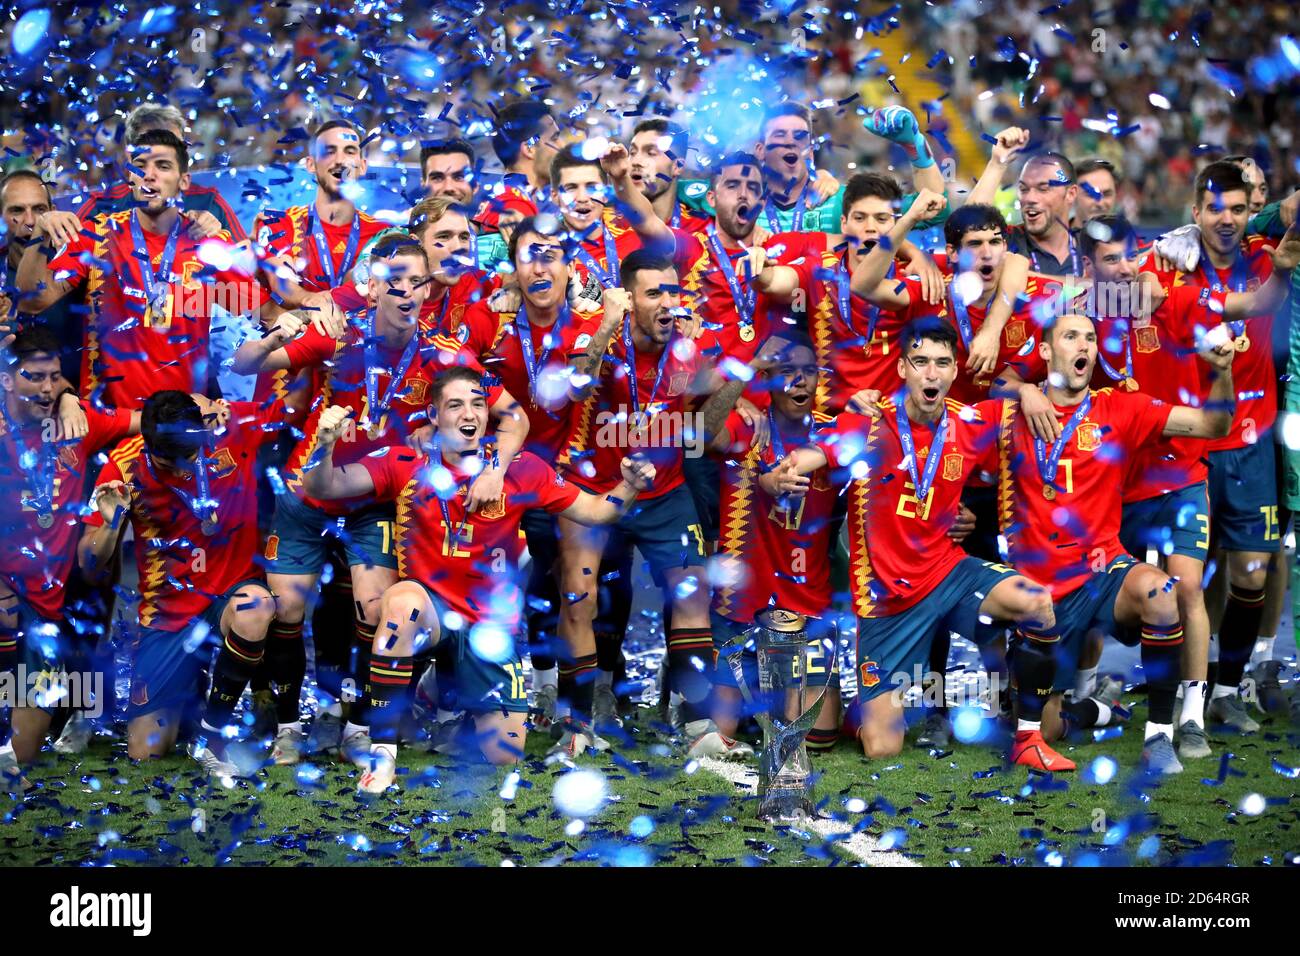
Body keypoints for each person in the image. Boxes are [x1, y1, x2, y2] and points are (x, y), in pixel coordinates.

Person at [232, 234, 529, 766]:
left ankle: (362, 724)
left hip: (373, 498)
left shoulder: (443, 354)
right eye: (395, 281)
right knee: (288, 610)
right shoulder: (336, 338)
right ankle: (286, 726)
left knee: (377, 607)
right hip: (311, 490)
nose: (408, 292)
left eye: (418, 280)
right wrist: (281, 328)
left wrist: (494, 467)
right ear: (371, 287)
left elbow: (515, 418)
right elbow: (243, 364)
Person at [299, 367, 657, 792]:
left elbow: (598, 511)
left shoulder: (521, 469)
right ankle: (383, 757)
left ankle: (441, 688)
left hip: (487, 625)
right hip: (428, 609)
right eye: (455, 405)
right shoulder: (405, 461)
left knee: (505, 752)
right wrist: (323, 447)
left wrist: (630, 487)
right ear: (433, 414)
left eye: (477, 403)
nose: (468, 413)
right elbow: (326, 485)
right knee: (399, 605)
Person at [761, 321, 1053, 758]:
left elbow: (1018, 445)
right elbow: (817, 453)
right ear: (902, 368)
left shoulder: (972, 422)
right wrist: (787, 470)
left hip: (946, 574)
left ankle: (1027, 733)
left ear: (955, 371)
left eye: (941, 363)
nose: (930, 374)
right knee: (882, 748)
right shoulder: (870, 423)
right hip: (885, 602)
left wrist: (1027, 389)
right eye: (920, 363)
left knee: (1036, 600)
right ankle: (863, 701)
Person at [991, 313, 1237, 775]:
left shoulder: (1120, 408)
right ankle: (1100, 709)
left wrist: (1221, 371)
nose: (1083, 345)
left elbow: (1213, 426)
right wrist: (1021, 389)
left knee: (1164, 593)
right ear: (1045, 352)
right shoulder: (1009, 416)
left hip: (1104, 573)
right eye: (1070, 336)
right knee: (1043, 730)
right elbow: (960, 409)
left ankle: (1160, 737)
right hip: (1042, 592)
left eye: (1090, 337)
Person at [558, 250, 728, 757]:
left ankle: (699, 728)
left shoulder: (689, 346)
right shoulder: (593, 330)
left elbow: (704, 432)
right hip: (592, 491)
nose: (668, 303)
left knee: (693, 594)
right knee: (579, 599)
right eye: (655, 293)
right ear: (627, 297)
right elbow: (572, 389)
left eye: (673, 291)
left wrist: (726, 372)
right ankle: (577, 721)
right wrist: (609, 322)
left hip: (664, 492)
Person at [77, 391, 283, 777]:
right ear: (148, 443)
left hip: (228, 592)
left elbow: (293, 406)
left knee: (255, 607)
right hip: (168, 612)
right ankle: (188, 686)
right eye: (169, 460)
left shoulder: (232, 428)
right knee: (144, 751)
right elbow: (89, 565)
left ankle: (212, 733)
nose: (184, 465)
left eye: (191, 452)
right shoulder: (122, 467)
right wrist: (110, 523)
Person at [15, 129, 244, 410]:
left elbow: (259, 308)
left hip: (183, 420)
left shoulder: (204, 239)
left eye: (162, 166)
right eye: (140, 166)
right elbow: (32, 300)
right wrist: (40, 228)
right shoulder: (97, 233)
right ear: (129, 176)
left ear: (184, 181)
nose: (149, 175)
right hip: (110, 419)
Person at [0, 328, 136, 791]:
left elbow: (144, 422)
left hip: (43, 607)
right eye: (33, 377)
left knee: (19, 758)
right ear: (6, 379)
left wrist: (201, 407)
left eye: (54, 377)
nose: (45, 388)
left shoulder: (78, 426)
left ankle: (70, 709)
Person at [699, 331, 841, 752]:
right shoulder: (748, 426)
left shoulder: (833, 436)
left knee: (818, 738)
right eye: (785, 372)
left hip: (807, 606)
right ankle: (730, 689)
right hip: (742, 606)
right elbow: (702, 430)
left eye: (808, 372)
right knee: (718, 736)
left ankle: (778, 693)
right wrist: (749, 370)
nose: (798, 381)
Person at [970, 131, 1083, 277]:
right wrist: (997, 164)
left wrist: (1028, 278)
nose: (1030, 198)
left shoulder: (1093, 247)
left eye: (1043, 189)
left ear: (1070, 194)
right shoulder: (1007, 243)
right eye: (1023, 189)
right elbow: (966, 230)